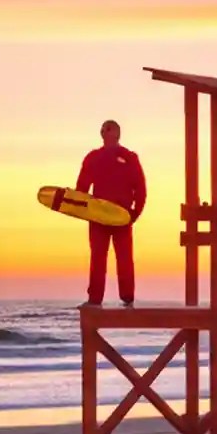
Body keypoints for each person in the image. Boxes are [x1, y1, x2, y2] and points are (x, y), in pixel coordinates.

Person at [76, 119, 146, 307]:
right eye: (103, 129)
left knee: (124, 258)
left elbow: (140, 188)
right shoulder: (93, 157)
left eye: (108, 129)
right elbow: (82, 187)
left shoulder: (129, 157)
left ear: (117, 133)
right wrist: (82, 208)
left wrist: (134, 214)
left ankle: (128, 298)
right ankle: (95, 299)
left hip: (122, 216)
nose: (105, 132)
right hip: (99, 216)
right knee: (97, 257)